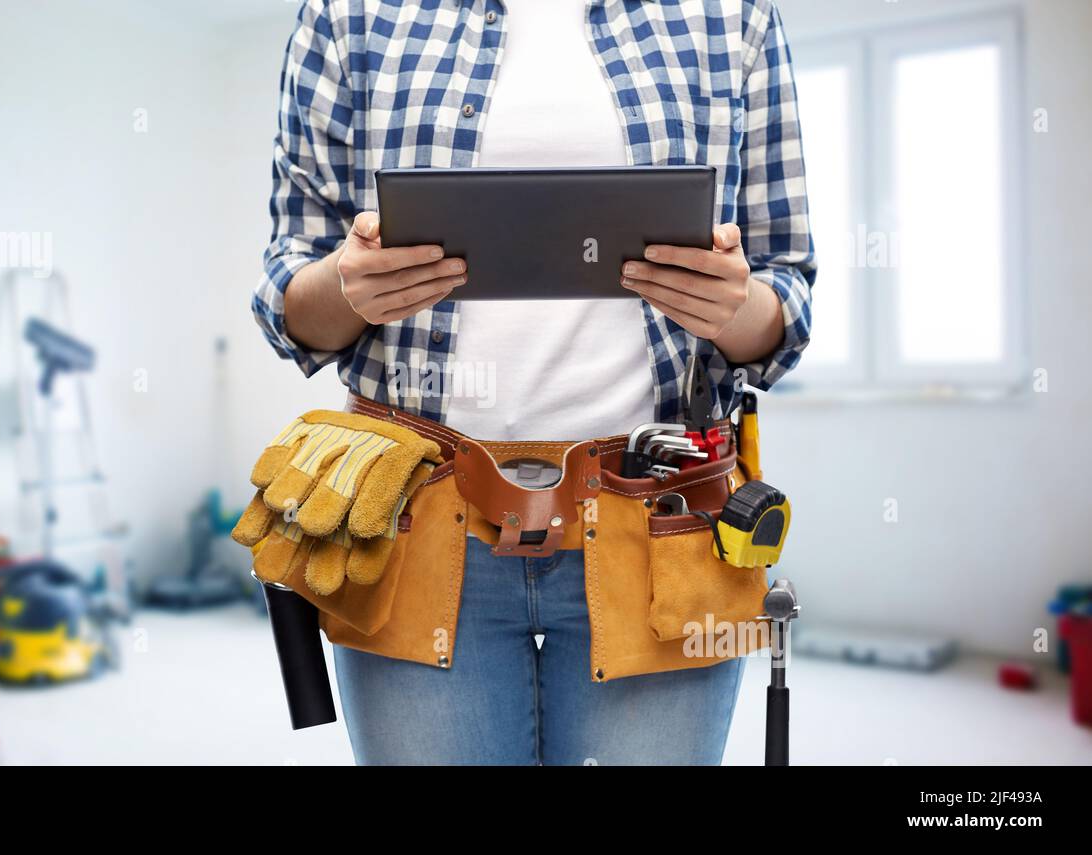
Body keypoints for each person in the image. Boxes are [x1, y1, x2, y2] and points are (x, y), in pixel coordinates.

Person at [252, 0, 815, 765]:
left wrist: (733, 306)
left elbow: (786, 295)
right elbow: (292, 301)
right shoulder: (349, 14)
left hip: (662, 520)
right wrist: (346, 288)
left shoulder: (733, 16)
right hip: (415, 520)